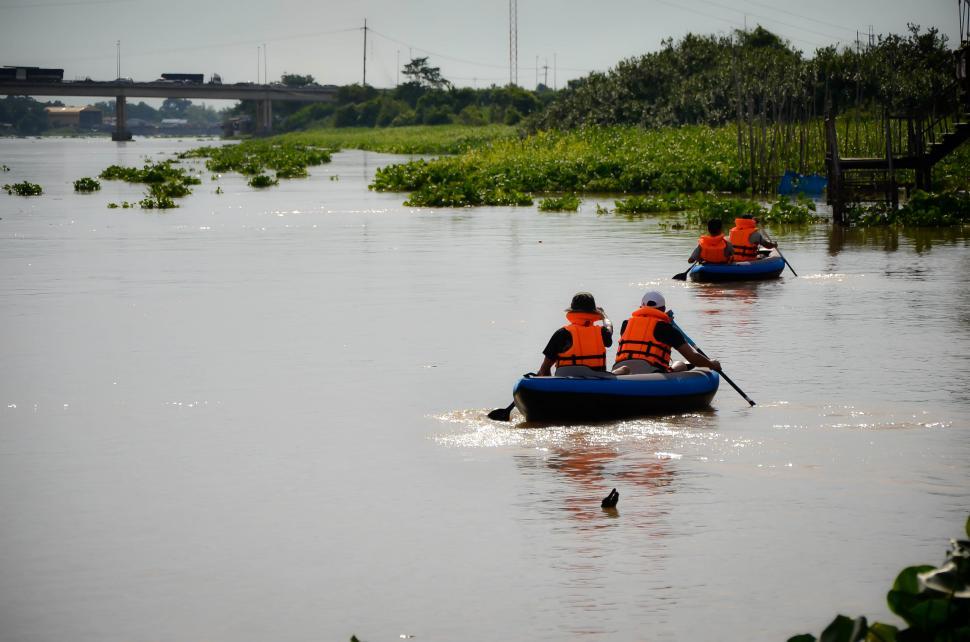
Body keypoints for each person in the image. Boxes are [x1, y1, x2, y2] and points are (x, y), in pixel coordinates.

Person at [612, 290, 722, 375]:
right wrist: (712, 364)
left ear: (641, 307)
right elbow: (692, 357)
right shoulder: (667, 329)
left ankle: (616, 374)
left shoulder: (626, 324)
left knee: (627, 368)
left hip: (620, 366)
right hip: (650, 373)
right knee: (681, 366)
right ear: (663, 308)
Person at [537, 292, 615, 377]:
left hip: (566, 382)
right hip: (596, 382)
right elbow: (609, 327)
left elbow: (544, 369)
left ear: (572, 311)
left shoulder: (562, 334)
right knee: (624, 369)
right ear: (594, 313)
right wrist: (604, 316)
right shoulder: (601, 332)